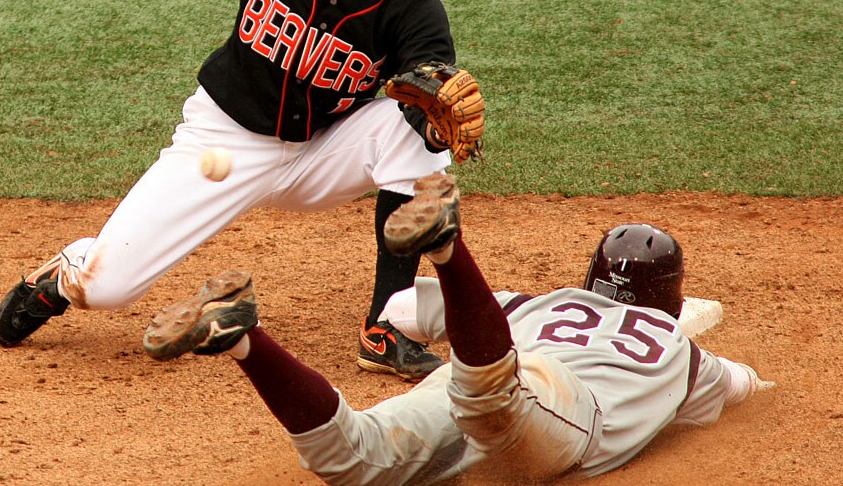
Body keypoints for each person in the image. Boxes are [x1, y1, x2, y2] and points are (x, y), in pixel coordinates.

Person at [0, 0, 484, 381]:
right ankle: (63, 277)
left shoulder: (411, 1)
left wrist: (432, 102)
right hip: (222, 139)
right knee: (107, 289)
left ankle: (387, 329)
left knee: (418, 124)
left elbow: (434, 75)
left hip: (322, 151)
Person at [142, 172, 774, 484]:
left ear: (589, 278)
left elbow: (397, 313)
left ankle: (243, 337)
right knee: (494, 399)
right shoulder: (690, 360)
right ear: (672, 296)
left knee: (349, 459)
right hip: (558, 403)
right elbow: (748, 388)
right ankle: (445, 246)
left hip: (491, 358)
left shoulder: (534, 301)